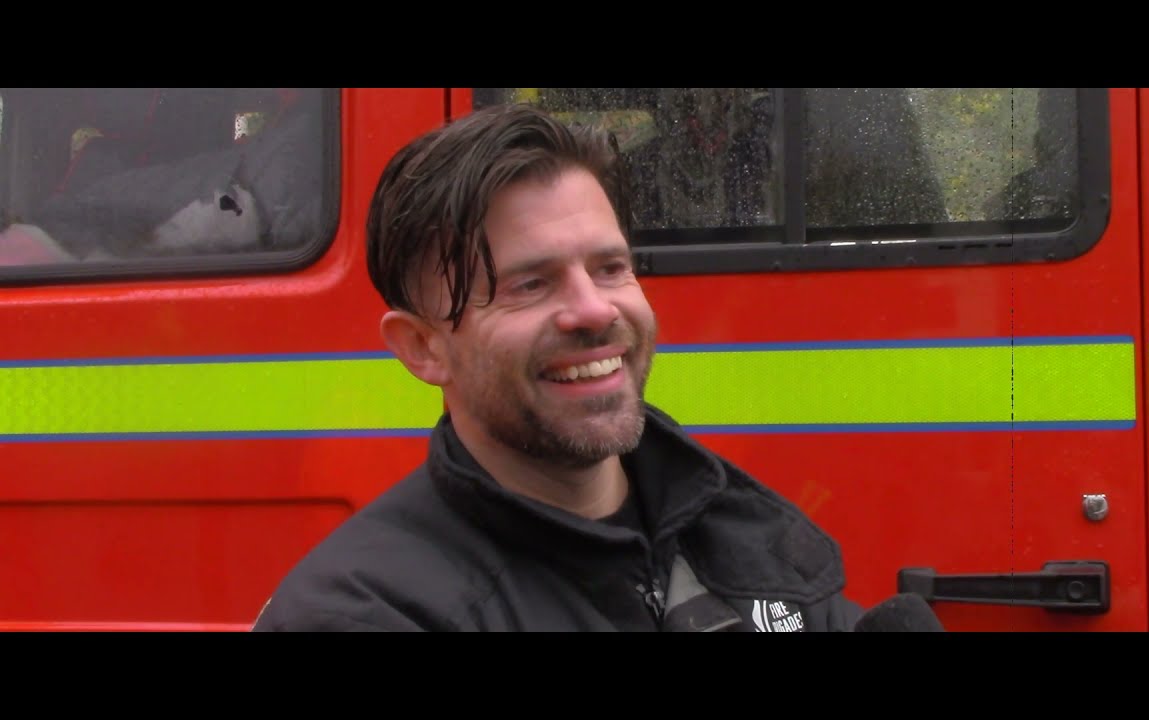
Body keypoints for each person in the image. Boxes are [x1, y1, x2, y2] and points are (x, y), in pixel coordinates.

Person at [251, 102, 899, 632]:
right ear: (423, 348)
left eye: (610, 268)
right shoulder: (364, 614)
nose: (594, 311)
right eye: (529, 284)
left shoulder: (733, 527)